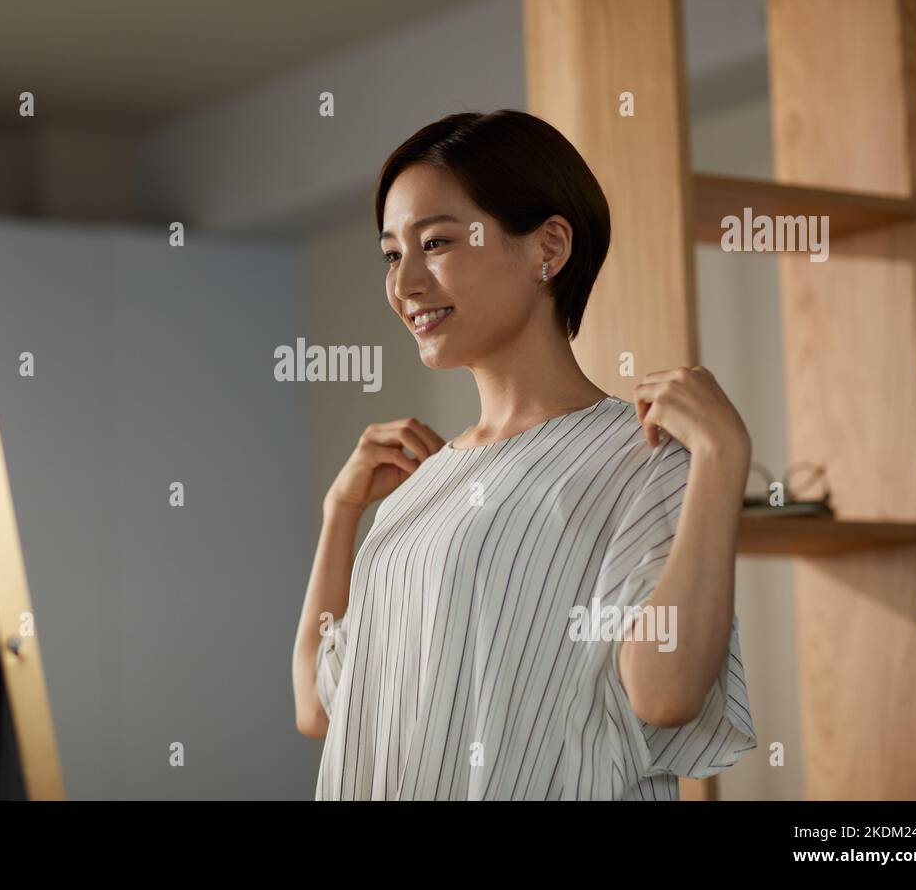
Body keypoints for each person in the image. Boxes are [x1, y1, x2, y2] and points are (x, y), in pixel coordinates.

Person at [290, 109, 757, 800]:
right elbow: (321, 707)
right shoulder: (421, 489)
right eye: (392, 254)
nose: (404, 284)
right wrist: (340, 516)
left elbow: (666, 695)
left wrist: (723, 459)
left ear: (549, 248)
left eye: (436, 242)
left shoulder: (644, 456)